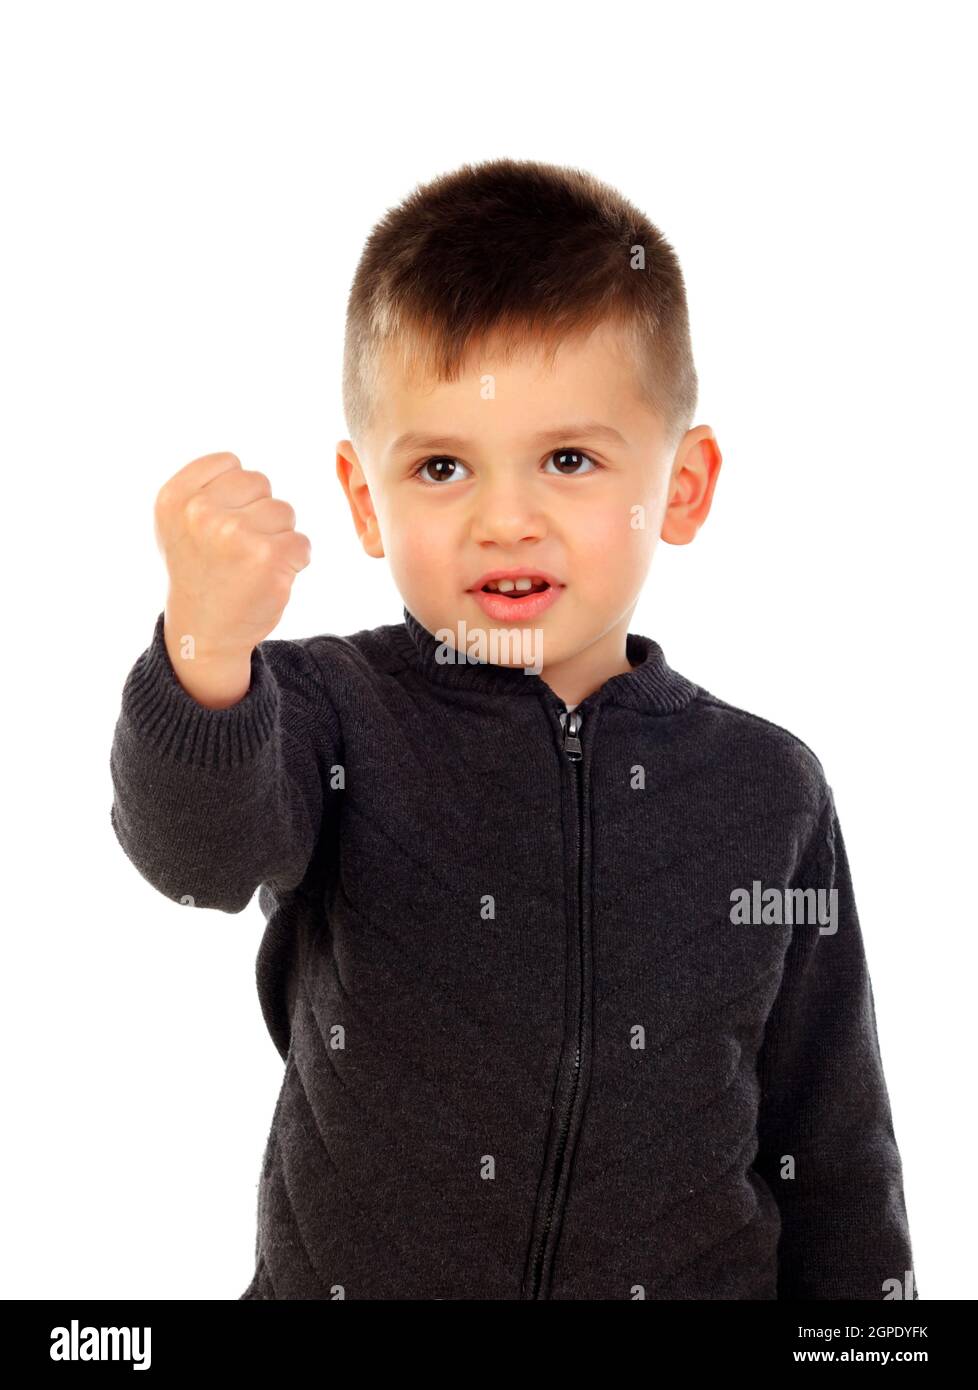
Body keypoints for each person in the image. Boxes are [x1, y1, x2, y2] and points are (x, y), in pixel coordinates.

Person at [109, 157, 916, 1300]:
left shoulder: (769, 786)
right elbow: (196, 855)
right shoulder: (329, 712)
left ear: (683, 486)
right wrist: (205, 650)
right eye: (442, 466)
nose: (505, 519)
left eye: (569, 460)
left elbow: (834, 1142)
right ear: (364, 499)